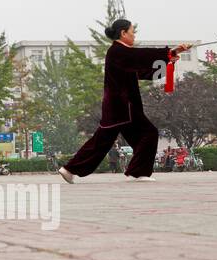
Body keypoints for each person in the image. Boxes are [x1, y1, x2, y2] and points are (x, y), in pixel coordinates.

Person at [59, 18, 191, 183]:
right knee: (148, 133)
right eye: (132, 32)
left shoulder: (122, 55)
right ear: (123, 33)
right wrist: (169, 52)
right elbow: (141, 55)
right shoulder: (117, 51)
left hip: (119, 107)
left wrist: (168, 61)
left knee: (105, 141)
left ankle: (70, 169)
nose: (134, 35)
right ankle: (139, 172)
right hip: (123, 106)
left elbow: (146, 74)